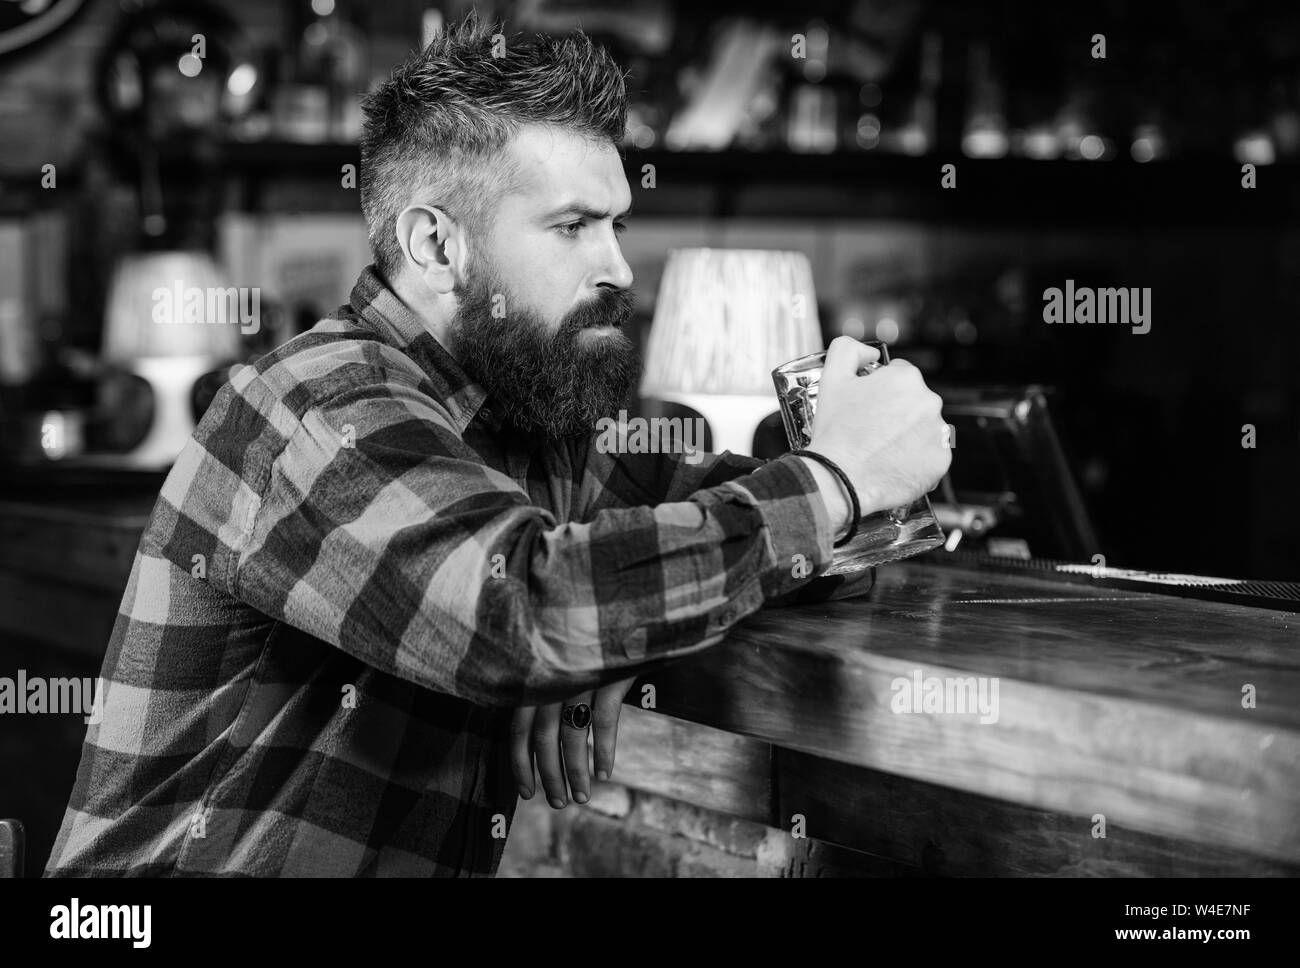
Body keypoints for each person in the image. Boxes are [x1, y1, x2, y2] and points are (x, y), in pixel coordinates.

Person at [45, 14, 950, 877]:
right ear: (436, 245)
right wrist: (832, 478)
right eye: (570, 227)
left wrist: (619, 627)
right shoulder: (318, 406)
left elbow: (769, 537)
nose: (620, 268)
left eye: (617, 223)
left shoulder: (534, 431)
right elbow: (514, 617)